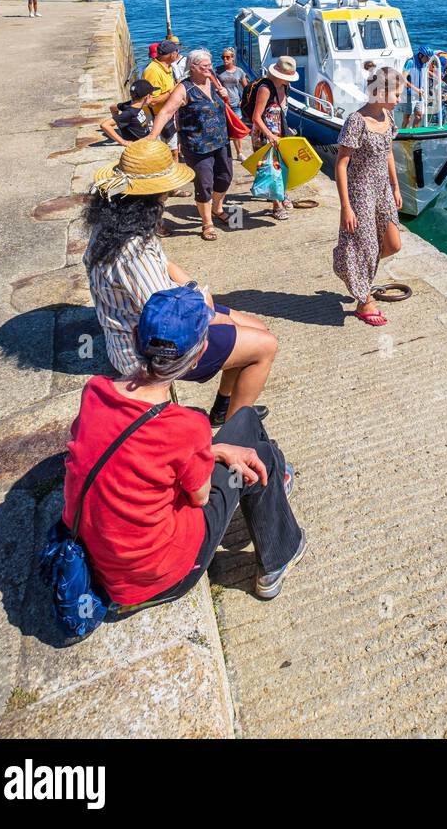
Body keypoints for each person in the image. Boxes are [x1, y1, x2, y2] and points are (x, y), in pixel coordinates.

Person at [62, 286, 305, 607]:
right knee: (255, 444)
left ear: (135, 336)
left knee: (246, 430)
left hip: (105, 563)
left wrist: (212, 450)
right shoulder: (186, 427)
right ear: (200, 353)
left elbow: (142, 451)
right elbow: (200, 496)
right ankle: (278, 556)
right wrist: (209, 450)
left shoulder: (96, 391)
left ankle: (273, 483)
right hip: (163, 576)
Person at [85, 138, 277, 424]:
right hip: (149, 350)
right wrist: (206, 309)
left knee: (255, 327)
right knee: (265, 345)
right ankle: (235, 431)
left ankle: (226, 406)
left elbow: (166, 265)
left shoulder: (117, 226)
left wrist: (195, 290)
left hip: (164, 315)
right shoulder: (132, 250)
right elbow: (168, 320)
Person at [333, 65, 403, 326]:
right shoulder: (356, 121)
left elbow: (388, 153)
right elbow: (341, 164)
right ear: (381, 92)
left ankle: (348, 264)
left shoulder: (387, 116)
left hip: (382, 188)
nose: (399, 99)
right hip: (360, 192)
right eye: (396, 94)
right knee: (366, 246)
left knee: (393, 244)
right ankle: (364, 301)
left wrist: (396, 187)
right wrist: (345, 207)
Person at [149, 48, 234, 241]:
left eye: (210, 65)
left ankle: (217, 208)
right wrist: (153, 135)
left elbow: (223, 105)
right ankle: (207, 224)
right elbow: (166, 112)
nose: (209, 68)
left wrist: (225, 95)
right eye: (205, 66)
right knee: (204, 185)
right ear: (193, 67)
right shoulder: (184, 88)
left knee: (225, 177)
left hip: (221, 141)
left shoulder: (213, 80)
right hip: (198, 145)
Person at [250, 55, 297, 221]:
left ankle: (283, 194)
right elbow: (256, 117)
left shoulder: (285, 87)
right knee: (272, 169)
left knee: (283, 166)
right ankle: (276, 205)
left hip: (280, 134)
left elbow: (281, 112)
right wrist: (269, 135)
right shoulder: (265, 89)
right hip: (264, 135)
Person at [142, 39, 182, 161]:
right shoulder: (153, 71)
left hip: (167, 115)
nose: (178, 53)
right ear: (172, 54)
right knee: (161, 154)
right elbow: (152, 101)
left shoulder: (167, 67)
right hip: (156, 118)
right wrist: (174, 91)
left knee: (174, 151)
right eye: (177, 51)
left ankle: (174, 176)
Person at [100, 78, 158, 146]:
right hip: (140, 146)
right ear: (147, 97)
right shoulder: (130, 113)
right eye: (152, 94)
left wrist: (120, 124)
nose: (153, 96)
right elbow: (105, 125)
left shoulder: (129, 103)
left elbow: (112, 107)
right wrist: (123, 142)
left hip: (146, 138)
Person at [218, 46, 248, 162]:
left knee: (236, 130)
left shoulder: (239, 71)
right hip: (222, 104)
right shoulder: (217, 71)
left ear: (233, 58)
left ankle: (239, 152)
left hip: (235, 105)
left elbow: (246, 88)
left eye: (227, 57)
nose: (225, 59)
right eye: (223, 57)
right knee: (223, 129)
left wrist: (243, 101)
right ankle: (223, 153)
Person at [401, 45, 435, 128]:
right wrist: (416, 90)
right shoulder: (411, 62)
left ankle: (414, 133)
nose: (428, 61)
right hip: (409, 94)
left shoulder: (423, 63)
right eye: (427, 58)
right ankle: (403, 134)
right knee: (407, 117)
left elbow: (425, 72)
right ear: (420, 55)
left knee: (419, 116)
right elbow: (403, 79)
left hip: (419, 94)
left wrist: (437, 77)